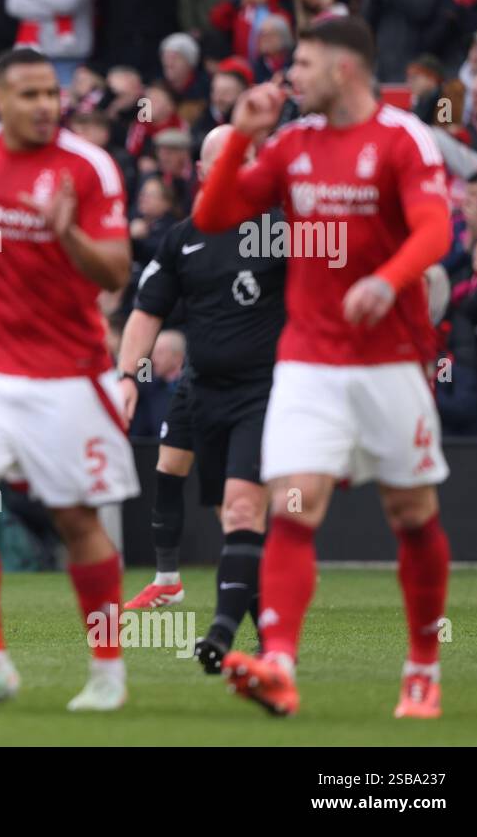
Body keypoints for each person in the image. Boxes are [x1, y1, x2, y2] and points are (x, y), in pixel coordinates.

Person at [194, 17, 454, 718]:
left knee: (411, 515)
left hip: (390, 362)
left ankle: (422, 667)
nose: (289, 76)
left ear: (343, 69)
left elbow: (436, 229)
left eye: (301, 64)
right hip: (307, 362)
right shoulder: (291, 145)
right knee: (296, 507)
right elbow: (213, 215)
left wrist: (388, 279)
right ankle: (279, 661)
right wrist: (243, 135)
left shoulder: (401, 139)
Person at [0, 48, 137, 712]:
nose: (46, 105)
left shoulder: (87, 166)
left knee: (75, 517)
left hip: (69, 371)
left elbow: (116, 273)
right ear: (0, 97)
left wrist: (68, 236)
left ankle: (106, 671)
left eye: (53, 93)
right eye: (32, 94)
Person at [119, 125, 288, 675]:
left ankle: (220, 634)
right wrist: (127, 376)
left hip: (263, 393)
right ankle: (269, 637)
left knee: (242, 509)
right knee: (230, 514)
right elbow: (147, 311)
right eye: (227, 162)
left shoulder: (278, 232)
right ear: (203, 172)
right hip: (203, 391)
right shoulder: (182, 238)